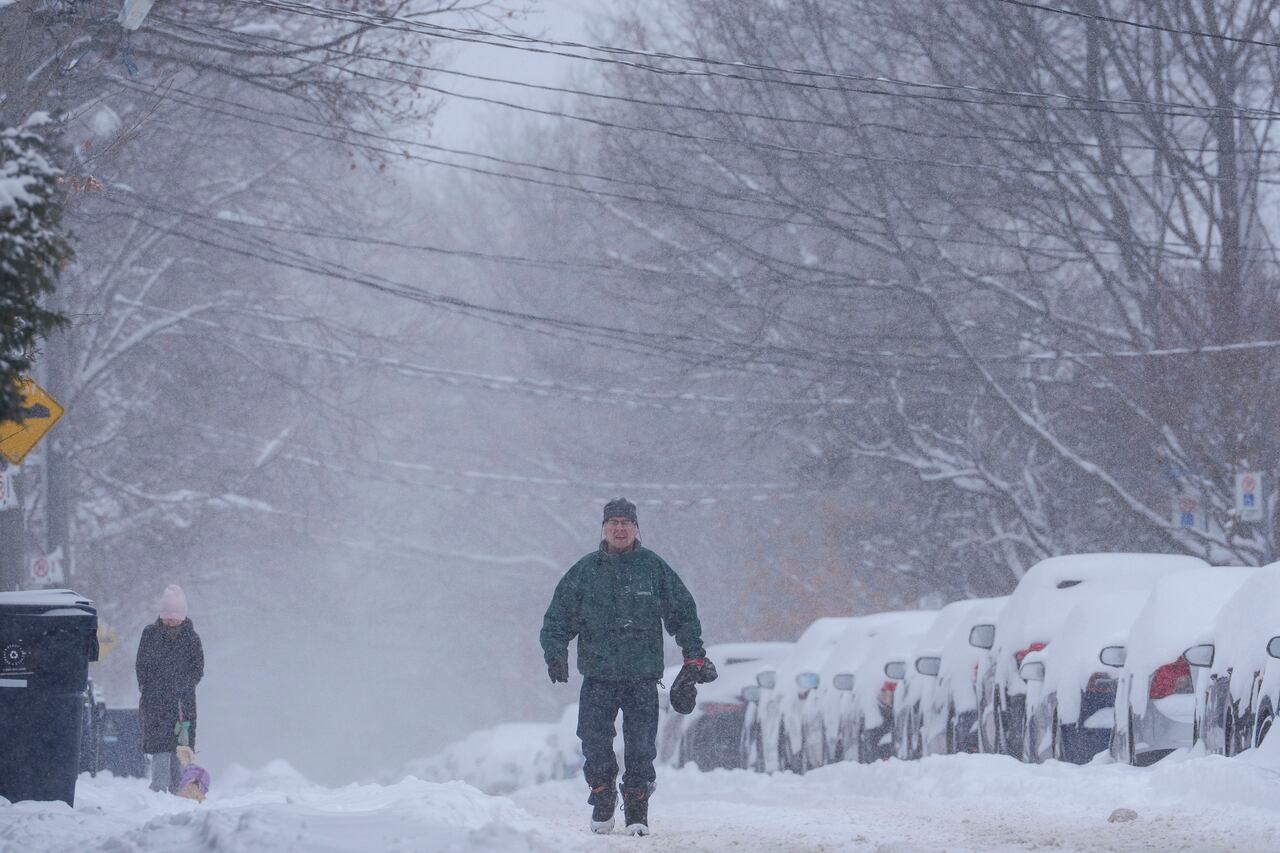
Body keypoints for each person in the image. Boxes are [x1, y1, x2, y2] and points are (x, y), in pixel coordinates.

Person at [541, 498, 715, 836]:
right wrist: (555, 652)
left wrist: (693, 654)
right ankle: (602, 794)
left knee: (641, 746)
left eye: (626, 522)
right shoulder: (586, 571)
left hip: (641, 677)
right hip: (598, 677)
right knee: (593, 741)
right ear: (604, 528)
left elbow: (682, 612)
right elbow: (558, 617)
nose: (620, 528)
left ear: (636, 528)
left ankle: (637, 807)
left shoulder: (653, 568)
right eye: (613, 523)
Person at [136, 584, 204, 793]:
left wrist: (182, 685)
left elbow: (198, 668)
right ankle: (158, 787)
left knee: (180, 745)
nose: (170, 620)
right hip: (156, 700)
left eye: (174, 616)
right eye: (167, 615)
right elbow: (142, 665)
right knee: (159, 745)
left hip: (182, 702)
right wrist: (148, 688)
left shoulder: (191, 638)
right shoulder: (150, 634)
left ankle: (178, 787)